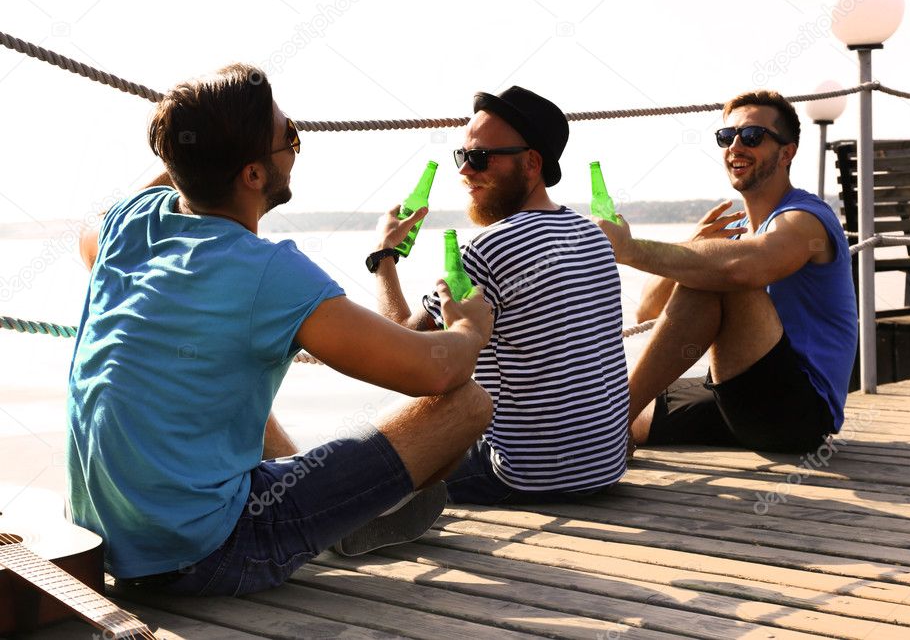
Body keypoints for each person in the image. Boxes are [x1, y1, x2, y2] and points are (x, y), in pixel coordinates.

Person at [66, 63, 495, 597]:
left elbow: (94, 222)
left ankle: (327, 515)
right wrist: (468, 329)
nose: (295, 144)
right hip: (208, 554)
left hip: (99, 548)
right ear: (252, 174)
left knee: (218, 370)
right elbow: (435, 371)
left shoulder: (124, 226)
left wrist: (193, 144)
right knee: (468, 403)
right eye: (289, 136)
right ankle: (336, 522)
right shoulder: (270, 273)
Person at [371, 86, 630, 504]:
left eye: (480, 158)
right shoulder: (593, 235)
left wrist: (383, 256)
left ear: (531, 163)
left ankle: (366, 502)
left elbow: (399, 348)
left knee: (418, 416)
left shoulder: (490, 248)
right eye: (462, 157)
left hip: (522, 475)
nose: (465, 172)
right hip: (603, 468)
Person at [597, 89, 857, 453]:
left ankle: (611, 426)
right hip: (741, 395)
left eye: (752, 136)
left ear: (787, 152)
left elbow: (740, 270)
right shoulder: (741, 236)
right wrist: (692, 244)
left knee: (718, 278)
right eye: (726, 136)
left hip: (798, 413)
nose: (736, 146)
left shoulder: (806, 220)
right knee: (614, 411)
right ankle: (600, 426)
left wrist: (629, 249)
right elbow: (648, 313)